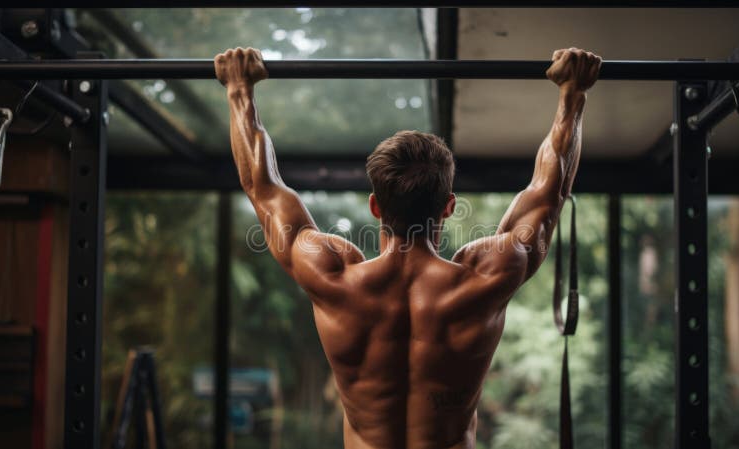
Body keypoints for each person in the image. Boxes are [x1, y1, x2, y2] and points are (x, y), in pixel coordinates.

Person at [214, 46, 601, 449]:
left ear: (375, 205)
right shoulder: (485, 278)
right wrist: (573, 94)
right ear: (449, 206)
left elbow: (262, 187)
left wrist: (240, 90)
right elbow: (548, 194)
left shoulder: (332, 277)